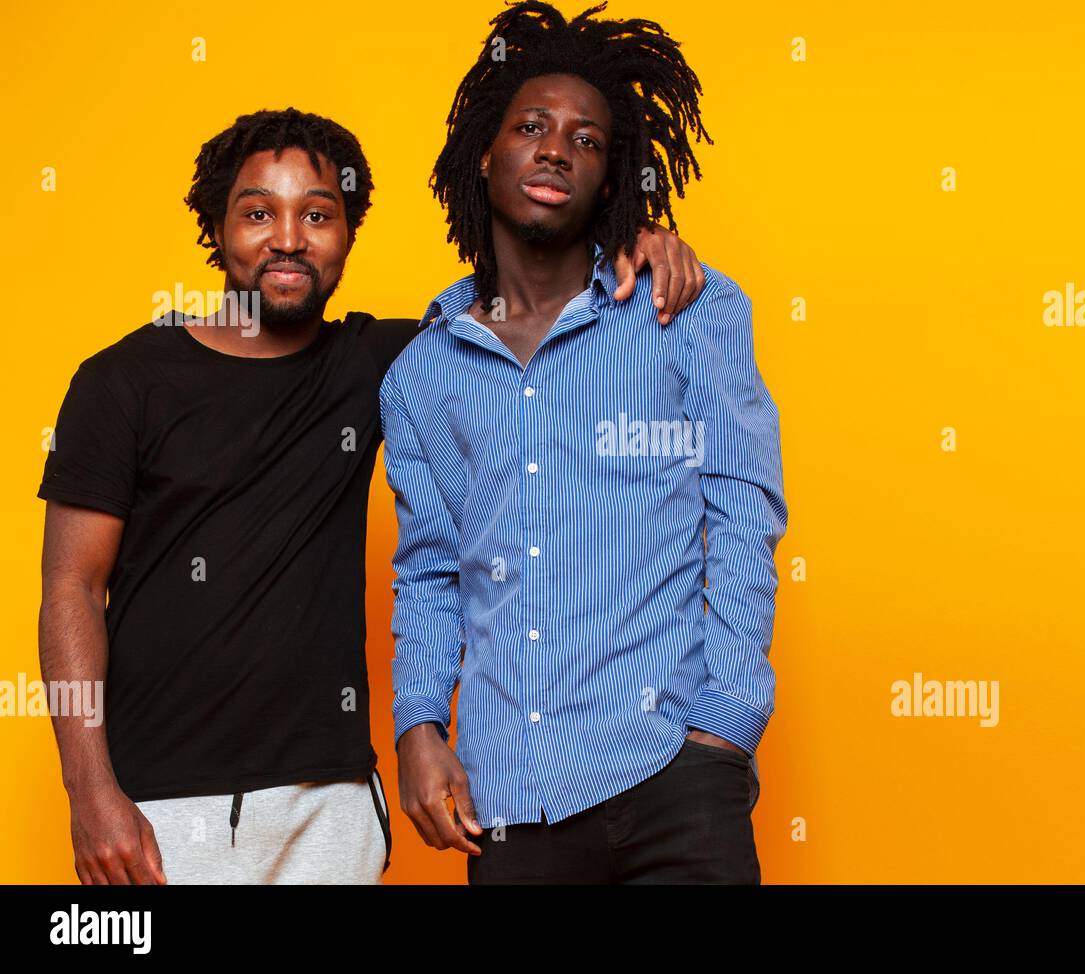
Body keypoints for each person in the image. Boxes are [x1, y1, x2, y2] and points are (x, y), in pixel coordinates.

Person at [36, 105, 704, 884]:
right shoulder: (124, 382)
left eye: (318, 214)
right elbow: (69, 588)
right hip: (166, 806)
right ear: (216, 228)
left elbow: (516, 309)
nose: (289, 238)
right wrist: (89, 790)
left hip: (337, 804)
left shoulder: (388, 361)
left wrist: (629, 241)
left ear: (349, 234)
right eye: (259, 212)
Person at [383, 0, 787, 884]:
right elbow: (429, 570)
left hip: (674, 776)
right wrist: (419, 728)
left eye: (588, 139)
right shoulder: (422, 373)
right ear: (485, 153)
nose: (557, 148)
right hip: (511, 800)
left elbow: (744, 515)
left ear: (610, 181)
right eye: (531, 126)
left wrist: (724, 721)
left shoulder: (689, 311)